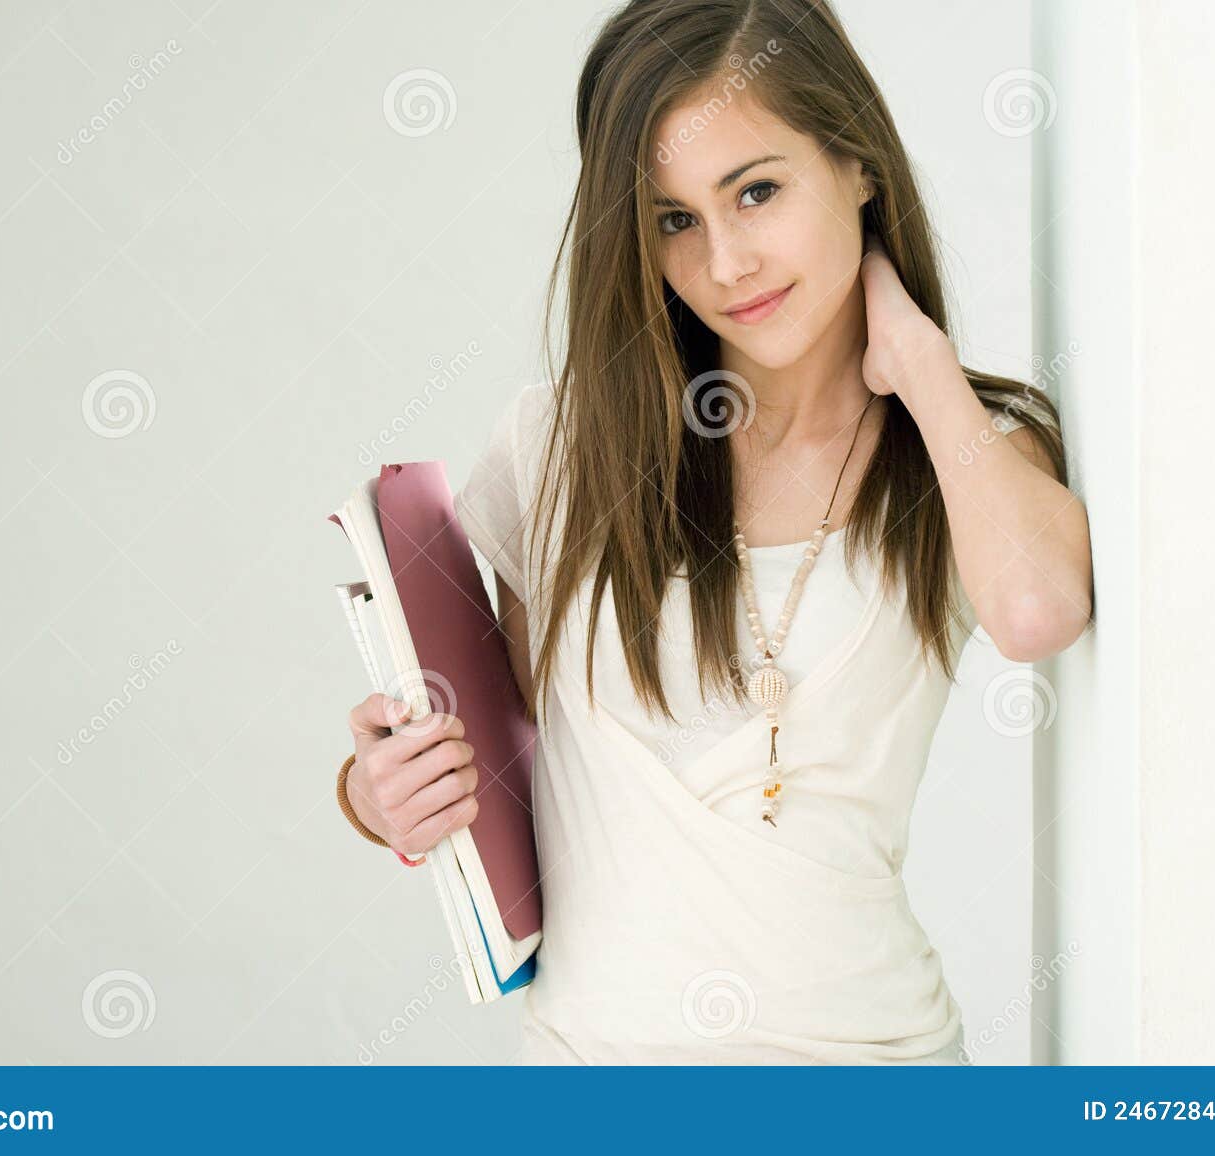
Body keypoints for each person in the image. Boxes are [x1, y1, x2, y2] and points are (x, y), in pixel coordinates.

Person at [340, 0, 1093, 1064]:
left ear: (858, 165)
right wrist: (380, 794)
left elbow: (1035, 611)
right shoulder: (562, 448)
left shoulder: (964, 449)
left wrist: (919, 366)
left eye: (758, 190)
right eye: (674, 220)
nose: (728, 261)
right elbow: (498, 775)